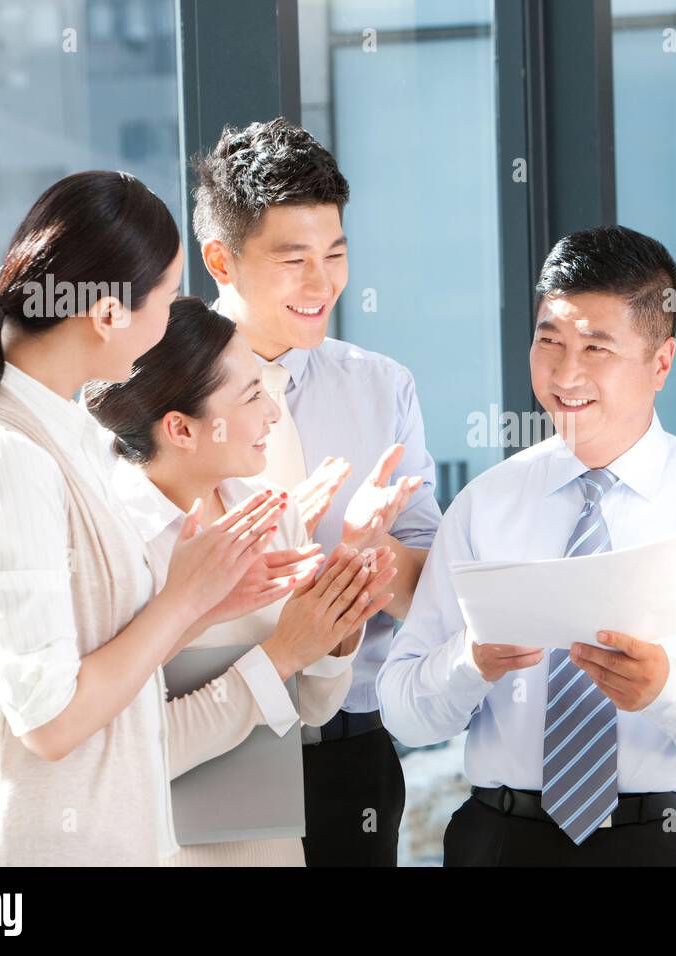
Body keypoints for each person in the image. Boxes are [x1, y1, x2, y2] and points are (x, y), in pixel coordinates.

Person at [0, 171, 286, 865]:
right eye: (168, 293)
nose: (176, 312)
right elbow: (50, 720)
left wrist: (198, 604)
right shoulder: (5, 457)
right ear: (106, 314)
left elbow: (91, 644)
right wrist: (181, 598)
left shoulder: (68, 439)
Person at [377, 225, 676, 866]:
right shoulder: (485, 507)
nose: (566, 373)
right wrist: (472, 660)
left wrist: (665, 691)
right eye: (550, 341)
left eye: (597, 348)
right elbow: (404, 713)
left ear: (661, 362)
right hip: (505, 841)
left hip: (672, 844)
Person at [190, 118, 440, 866]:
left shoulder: (380, 386)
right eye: (292, 259)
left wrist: (364, 553)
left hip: (348, 754)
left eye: (334, 254)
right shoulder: (155, 393)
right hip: (211, 743)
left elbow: (432, 585)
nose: (322, 283)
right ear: (220, 261)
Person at [84, 296, 398, 865]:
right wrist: (278, 654)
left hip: (272, 847)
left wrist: (335, 631)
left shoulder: (271, 514)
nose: (274, 416)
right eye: (253, 395)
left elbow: (310, 714)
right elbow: (125, 751)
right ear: (180, 428)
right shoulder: (110, 544)